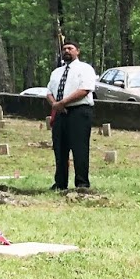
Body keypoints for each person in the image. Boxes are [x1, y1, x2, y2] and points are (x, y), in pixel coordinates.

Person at [46, 40, 96, 191]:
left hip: (79, 112)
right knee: (60, 149)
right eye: (64, 49)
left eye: (70, 48)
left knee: (79, 148)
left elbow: (85, 89)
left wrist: (64, 102)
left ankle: (82, 183)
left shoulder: (85, 69)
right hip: (60, 114)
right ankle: (60, 183)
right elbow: (48, 92)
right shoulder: (56, 72)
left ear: (77, 51)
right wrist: (55, 104)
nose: (67, 51)